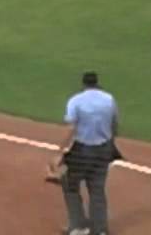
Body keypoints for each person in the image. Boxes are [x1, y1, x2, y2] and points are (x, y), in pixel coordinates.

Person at [53, 71, 120, 235]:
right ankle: (100, 229)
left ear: (83, 84)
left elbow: (71, 128)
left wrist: (59, 152)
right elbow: (115, 124)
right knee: (97, 189)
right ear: (97, 83)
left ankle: (78, 227)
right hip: (104, 149)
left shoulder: (75, 101)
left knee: (70, 185)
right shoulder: (109, 99)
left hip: (82, 151)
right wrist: (110, 142)